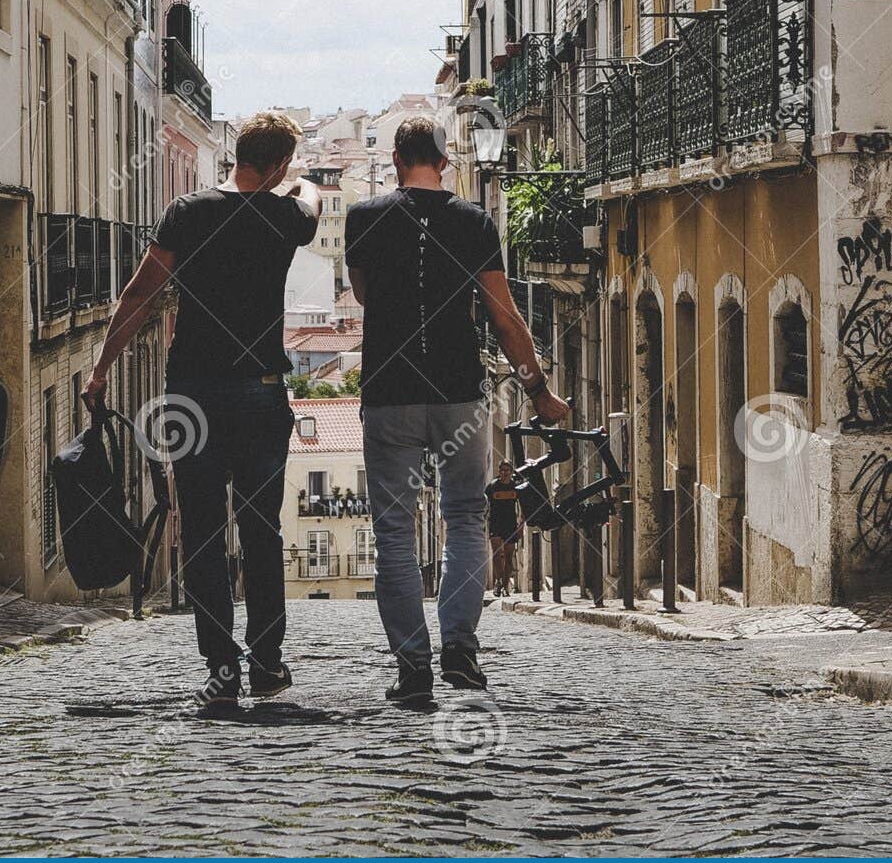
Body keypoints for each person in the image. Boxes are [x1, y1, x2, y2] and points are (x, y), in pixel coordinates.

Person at [83, 113, 319, 710]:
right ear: (279, 166)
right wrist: (299, 182)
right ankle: (267, 663)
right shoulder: (285, 215)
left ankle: (221, 667)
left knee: (202, 531)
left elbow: (140, 294)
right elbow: (312, 202)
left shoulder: (187, 212)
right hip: (261, 390)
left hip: (192, 392)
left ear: (236, 156)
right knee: (261, 530)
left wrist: (102, 368)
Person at [346, 117, 569, 702]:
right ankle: (461, 650)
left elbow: (365, 295)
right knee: (466, 517)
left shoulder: (363, 218)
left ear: (397, 159)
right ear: (445, 163)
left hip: (390, 392)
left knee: (394, 530)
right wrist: (539, 391)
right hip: (460, 394)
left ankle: (413, 669)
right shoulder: (474, 222)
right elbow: (505, 317)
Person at [485, 461, 521, 596]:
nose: (505, 473)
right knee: (496, 554)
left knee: (509, 556)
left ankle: (506, 586)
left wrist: (521, 524)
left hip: (510, 523)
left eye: (507, 470)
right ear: (499, 471)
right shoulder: (492, 487)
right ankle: (498, 581)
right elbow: (484, 504)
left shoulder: (516, 487)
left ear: (511, 472)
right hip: (495, 523)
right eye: (502, 470)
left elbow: (522, 505)